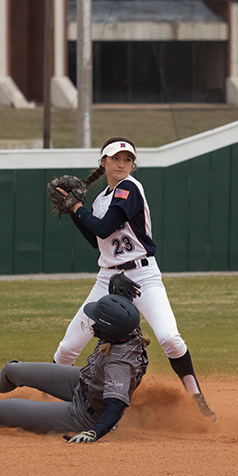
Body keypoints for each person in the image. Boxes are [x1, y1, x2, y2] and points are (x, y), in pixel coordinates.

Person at [51, 136, 217, 422]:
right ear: (103, 162)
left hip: (142, 275)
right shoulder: (103, 198)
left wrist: (77, 208)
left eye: (127, 159)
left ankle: (196, 398)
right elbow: (96, 240)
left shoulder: (131, 187)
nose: (122, 164)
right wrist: (76, 213)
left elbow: (104, 228)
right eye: (116, 158)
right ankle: (48, 399)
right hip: (108, 278)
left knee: (169, 338)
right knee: (68, 347)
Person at [0, 289, 148, 443]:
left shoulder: (120, 363)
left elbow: (115, 406)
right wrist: (116, 284)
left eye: (97, 321)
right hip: (83, 382)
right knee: (12, 369)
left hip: (85, 415)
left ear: (109, 329)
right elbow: (121, 312)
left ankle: (95, 426)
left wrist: (94, 432)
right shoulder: (127, 329)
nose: (93, 322)